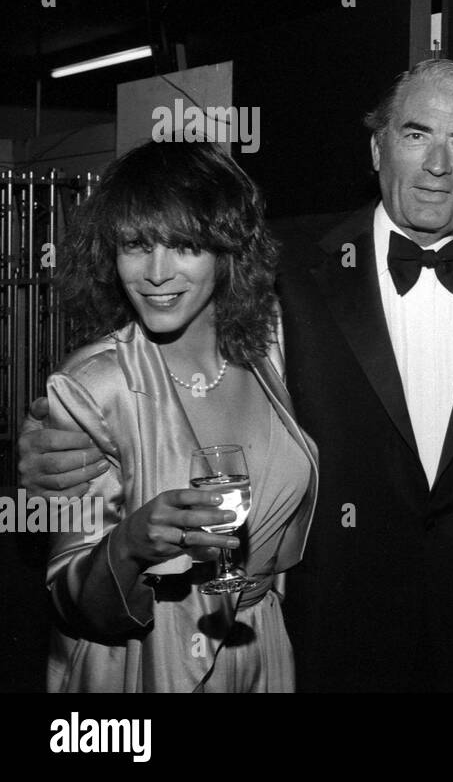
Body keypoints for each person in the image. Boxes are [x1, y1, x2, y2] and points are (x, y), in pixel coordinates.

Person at [22, 59, 453, 692]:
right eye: (415, 134)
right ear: (376, 149)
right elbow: (158, 349)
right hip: (325, 632)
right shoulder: (281, 264)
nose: (438, 163)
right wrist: (46, 437)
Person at [43, 140, 317, 692]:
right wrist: (131, 544)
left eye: (186, 245)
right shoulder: (96, 384)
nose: (156, 273)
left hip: (263, 651)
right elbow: (69, 595)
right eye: (136, 245)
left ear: (228, 251)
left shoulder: (269, 350)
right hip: (146, 664)